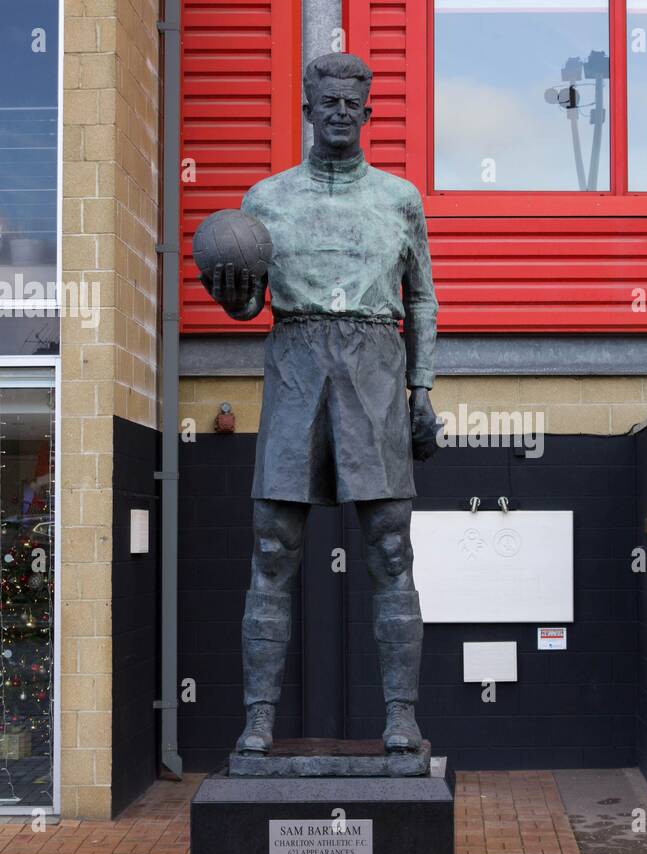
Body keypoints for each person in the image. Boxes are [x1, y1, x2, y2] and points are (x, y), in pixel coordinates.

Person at [201, 52, 439, 756]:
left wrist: (421, 388)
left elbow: (421, 298)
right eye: (326, 102)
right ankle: (259, 720)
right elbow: (249, 307)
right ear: (309, 110)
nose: (339, 112)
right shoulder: (266, 201)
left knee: (391, 548)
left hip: (374, 364)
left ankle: (401, 717)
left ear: (367, 113)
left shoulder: (400, 199)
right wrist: (231, 287)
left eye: (351, 103)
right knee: (273, 548)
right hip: (297, 360)